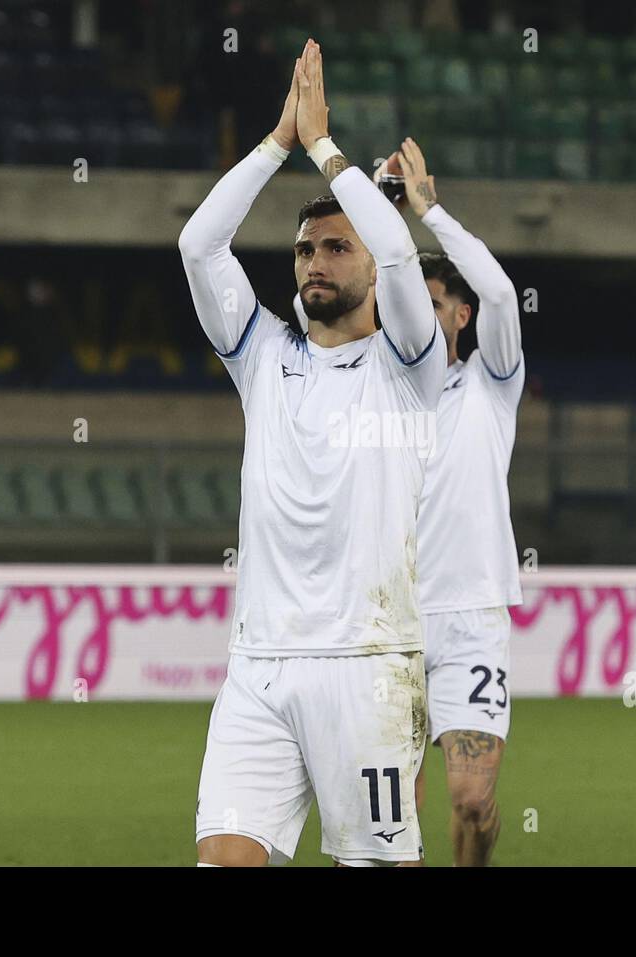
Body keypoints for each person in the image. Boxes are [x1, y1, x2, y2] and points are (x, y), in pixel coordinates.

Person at [179, 39, 442, 866]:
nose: (315, 261)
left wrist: (328, 151)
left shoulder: (410, 365)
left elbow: (400, 251)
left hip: (367, 666)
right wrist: (277, 144)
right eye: (303, 250)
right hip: (258, 664)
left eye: (335, 247)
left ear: (367, 260)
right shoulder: (264, 355)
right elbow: (198, 246)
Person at [392, 138, 524, 867]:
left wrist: (428, 213)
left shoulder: (489, 384)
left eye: (432, 300)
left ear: (461, 317)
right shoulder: (376, 387)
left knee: (472, 802)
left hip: (471, 616)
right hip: (391, 621)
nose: (416, 312)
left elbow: (502, 292)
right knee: (392, 813)